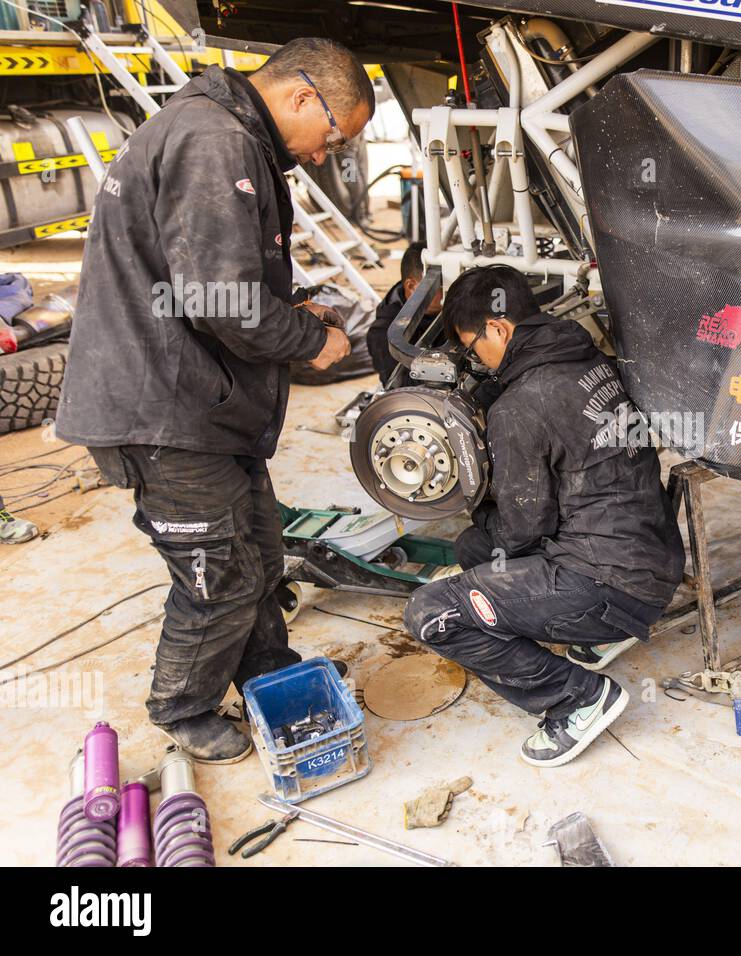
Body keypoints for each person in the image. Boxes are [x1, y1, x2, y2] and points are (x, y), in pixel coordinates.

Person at [55, 38, 375, 763]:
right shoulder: (213, 139)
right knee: (220, 575)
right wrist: (307, 340)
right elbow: (215, 297)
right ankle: (183, 706)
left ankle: (263, 671)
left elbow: (208, 275)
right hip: (161, 406)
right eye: (333, 136)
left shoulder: (225, 132)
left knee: (259, 553)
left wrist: (291, 306)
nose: (325, 156)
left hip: (200, 397)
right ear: (301, 96)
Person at [404, 265, 685, 767]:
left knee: (432, 614)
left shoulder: (520, 406)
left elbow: (521, 530)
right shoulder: (585, 356)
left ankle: (577, 698)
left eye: (472, 349)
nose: (476, 363)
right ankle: (595, 636)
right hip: (655, 557)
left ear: (499, 329)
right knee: (472, 547)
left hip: (609, 583)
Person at [366, 241, 441, 385]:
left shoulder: (441, 306)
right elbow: (400, 387)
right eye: (439, 285)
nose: (449, 291)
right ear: (411, 285)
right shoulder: (383, 333)